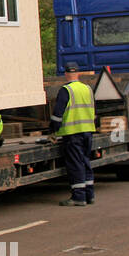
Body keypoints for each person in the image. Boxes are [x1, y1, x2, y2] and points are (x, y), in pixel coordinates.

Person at [51, 64, 97, 206]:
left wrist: (52, 131)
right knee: (85, 162)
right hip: (88, 131)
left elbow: (57, 115)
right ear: (78, 74)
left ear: (65, 74)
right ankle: (89, 195)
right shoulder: (87, 89)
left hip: (73, 134)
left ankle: (78, 197)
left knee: (75, 164)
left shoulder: (66, 90)